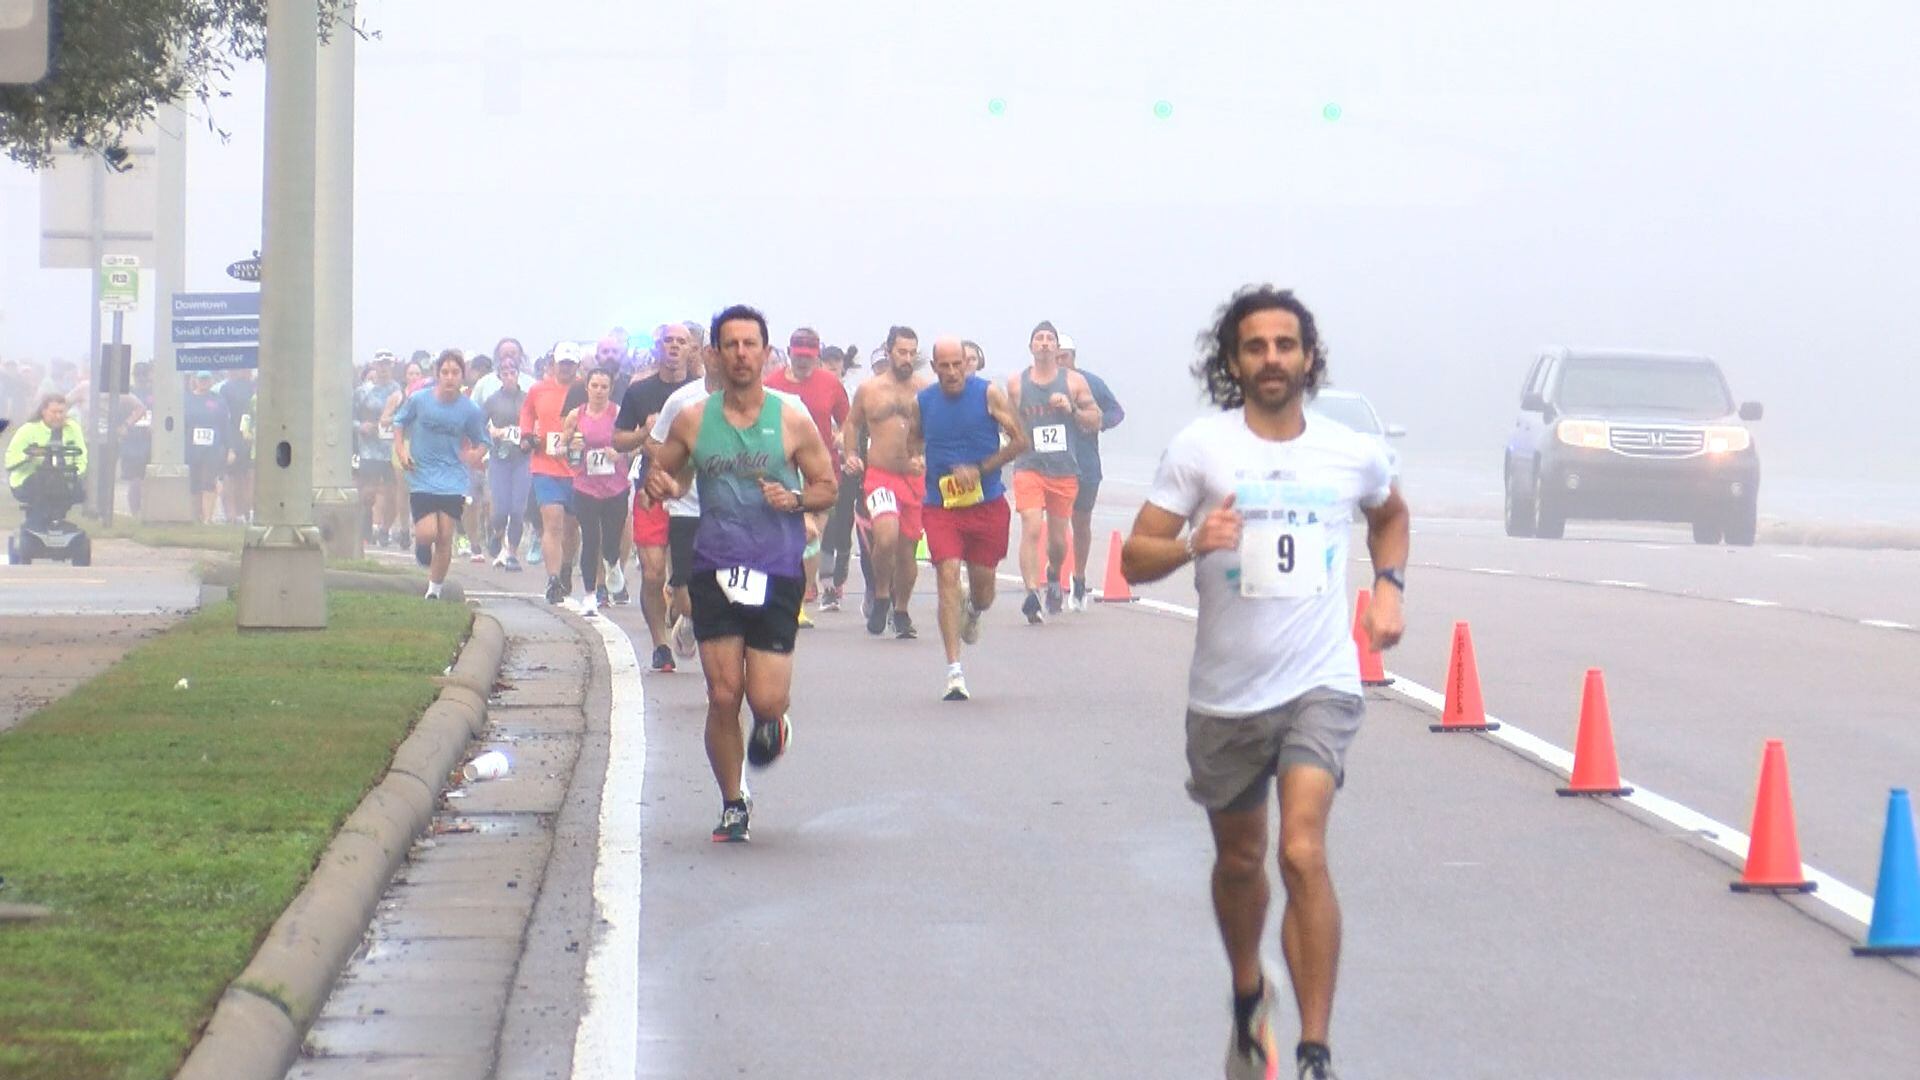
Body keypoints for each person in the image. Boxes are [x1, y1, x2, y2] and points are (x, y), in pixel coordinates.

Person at [1121, 287, 1408, 1080]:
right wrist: (1191, 542)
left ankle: (1315, 1050)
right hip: (1226, 695)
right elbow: (1132, 558)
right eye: (1256, 346)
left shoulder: (1351, 452)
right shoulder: (1200, 450)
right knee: (1241, 861)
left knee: (1303, 850)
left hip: (1320, 682)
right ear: (1233, 362)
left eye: (1286, 345)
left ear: (1308, 358)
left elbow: (1390, 513)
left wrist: (1389, 589)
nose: (1272, 359)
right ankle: (1249, 992)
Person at [643, 305, 836, 844]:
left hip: (776, 567)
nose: (741, 354)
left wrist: (796, 499)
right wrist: (661, 487)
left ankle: (775, 721)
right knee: (724, 694)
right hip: (715, 565)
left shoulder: (792, 417)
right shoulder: (693, 418)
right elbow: (672, 477)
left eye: (751, 344)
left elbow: (828, 486)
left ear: (767, 353)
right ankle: (733, 801)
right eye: (731, 345)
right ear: (716, 354)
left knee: (765, 701)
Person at [915, 338, 1026, 701]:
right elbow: (912, 445)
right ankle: (954, 673)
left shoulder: (989, 395)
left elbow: (1020, 441)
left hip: (987, 503)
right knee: (947, 575)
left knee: (984, 589)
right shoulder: (924, 401)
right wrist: (915, 461)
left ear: (967, 364)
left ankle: (974, 610)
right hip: (941, 505)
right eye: (943, 366)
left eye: (956, 365)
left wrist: (978, 470)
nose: (950, 373)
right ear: (933, 367)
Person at [614, 322, 701, 671]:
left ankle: (688, 616)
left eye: (682, 342)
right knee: (652, 573)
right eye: (669, 341)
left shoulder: (701, 393)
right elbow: (617, 439)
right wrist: (642, 434)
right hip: (652, 488)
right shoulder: (640, 391)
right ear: (658, 346)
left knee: (688, 576)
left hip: (692, 492)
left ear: (693, 348)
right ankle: (660, 646)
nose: (675, 347)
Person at [1007, 321, 1101, 622]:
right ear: (1031, 346)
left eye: (1050, 339)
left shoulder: (1074, 383)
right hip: (1029, 465)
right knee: (1031, 526)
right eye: (1039, 338)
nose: (1045, 343)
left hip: (1063, 469)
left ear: (1057, 348)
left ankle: (1052, 574)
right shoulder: (1016, 383)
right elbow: (1007, 423)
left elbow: (1095, 418)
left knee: (1059, 542)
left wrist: (1071, 410)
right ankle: (1031, 593)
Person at [843, 326, 930, 638]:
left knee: (907, 551)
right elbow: (851, 423)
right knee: (887, 535)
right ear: (890, 351)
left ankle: (901, 609)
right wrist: (851, 453)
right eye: (901, 352)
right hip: (880, 476)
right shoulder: (870, 389)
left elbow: (936, 430)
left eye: (911, 353)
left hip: (913, 479)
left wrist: (926, 456)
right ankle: (881, 594)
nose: (907, 358)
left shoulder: (925, 389)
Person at [766, 326, 850, 626]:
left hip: (821, 471)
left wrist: (846, 444)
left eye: (809, 357)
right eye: (799, 356)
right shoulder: (771, 384)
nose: (803, 363)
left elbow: (848, 422)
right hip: (783, 470)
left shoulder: (830, 383)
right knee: (785, 538)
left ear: (817, 355)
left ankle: (798, 603)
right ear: (789, 353)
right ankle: (780, 596)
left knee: (810, 537)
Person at [393, 350, 492, 599]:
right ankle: (421, 544)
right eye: (445, 372)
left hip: (453, 477)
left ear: (462, 376)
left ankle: (434, 590)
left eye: (455, 373)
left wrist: (474, 456)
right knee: (428, 533)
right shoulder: (420, 400)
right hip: (422, 473)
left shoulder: (469, 409)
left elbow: (483, 440)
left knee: (445, 535)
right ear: (437, 374)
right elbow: (399, 422)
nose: (450, 378)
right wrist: (402, 452)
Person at [1055, 335, 1126, 610]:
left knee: (1081, 523)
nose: (1060, 362)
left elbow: (1117, 412)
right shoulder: (1041, 383)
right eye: (1056, 357)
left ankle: (1079, 578)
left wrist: (1100, 424)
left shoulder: (1091, 383)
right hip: (1053, 465)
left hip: (1086, 465)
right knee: (1056, 524)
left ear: (1073, 356)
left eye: (1065, 356)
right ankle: (1053, 578)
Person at [562, 368, 630, 615]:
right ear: (587, 388)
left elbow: (633, 445)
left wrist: (620, 452)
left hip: (615, 487)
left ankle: (613, 563)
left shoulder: (619, 414)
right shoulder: (575, 415)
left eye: (604, 386)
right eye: (595, 386)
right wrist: (571, 445)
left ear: (610, 389)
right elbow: (560, 448)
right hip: (585, 487)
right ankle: (590, 594)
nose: (599, 391)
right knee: (590, 538)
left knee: (611, 541)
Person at [522, 342, 584, 604]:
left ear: (577, 365)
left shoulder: (585, 388)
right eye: (562, 363)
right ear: (554, 364)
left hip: (576, 467)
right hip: (545, 465)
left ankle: (567, 565)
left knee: (571, 527)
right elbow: (527, 412)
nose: (566, 368)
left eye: (571, 364)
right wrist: (527, 436)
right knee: (553, 522)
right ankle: (553, 579)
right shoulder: (539, 389)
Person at [481, 351, 532, 571]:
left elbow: (536, 426)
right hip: (499, 458)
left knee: (518, 509)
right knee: (501, 508)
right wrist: (492, 432)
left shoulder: (528, 399)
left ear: (518, 375)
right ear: (499, 376)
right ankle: (497, 533)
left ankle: (512, 552)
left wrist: (527, 438)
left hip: (522, 459)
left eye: (513, 372)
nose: (509, 376)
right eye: (505, 373)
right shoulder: (492, 401)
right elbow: (479, 426)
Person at [5, 394, 87, 529]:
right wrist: (28, 457)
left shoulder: (73, 429)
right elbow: (10, 460)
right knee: (43, 484)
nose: (58, 416)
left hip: (64, 478)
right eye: (54, 412)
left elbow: (81, 457)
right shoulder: (28, 430)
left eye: (62, 412)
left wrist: (74, 475)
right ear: (43, 411)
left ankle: (57, 525)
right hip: (28, 480)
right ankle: (35, 526)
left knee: (72, 487)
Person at [355, 351, 404, 546]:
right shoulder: (363, 392)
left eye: (387, 365)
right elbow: (349, 417)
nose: (383, 369)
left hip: (390, 450)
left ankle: (385, 529)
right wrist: (360, 426)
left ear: (392, 367)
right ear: (374, 366)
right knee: (367, 492)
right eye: (380, 365)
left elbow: (405, 417)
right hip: (369, 450)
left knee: (392, 493)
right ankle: (366, 527)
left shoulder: (399, 392)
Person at [183, 370, 231, 524]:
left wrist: (229, 448)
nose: (204, 382)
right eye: (201, 379)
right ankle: (195, 516)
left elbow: (225, 425)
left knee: (209, 481)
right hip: (191, 448)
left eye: (207, 379)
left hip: (212, 448)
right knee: (194, 483)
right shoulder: (186, 399)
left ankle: (207, 518)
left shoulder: (218, 400)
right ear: (195, 380)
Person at [217, 369, 257, 526]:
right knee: (232, 476)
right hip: (234, 437)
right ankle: (232, 513)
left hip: (250, 439)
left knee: (248, 476)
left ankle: (246, 512)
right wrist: (230, 445)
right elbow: (225, 416)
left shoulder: (255, 387)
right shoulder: (226, 388)